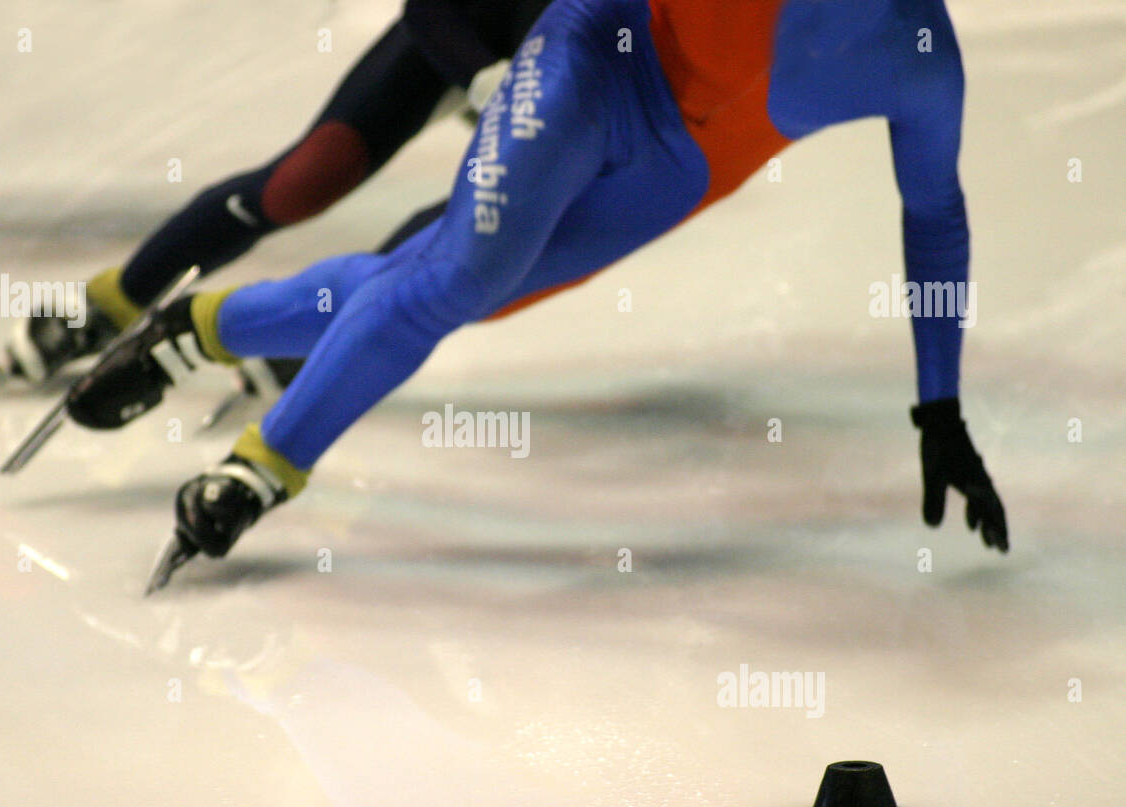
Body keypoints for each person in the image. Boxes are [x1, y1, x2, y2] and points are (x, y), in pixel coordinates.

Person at [65, 0, 1009, 589]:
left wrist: (940, 408)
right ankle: (262, 468)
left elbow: (935, 218)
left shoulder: (916, 54)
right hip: (598, 52)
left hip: (682, 170)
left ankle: (202, 326)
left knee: (457, 286)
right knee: (460, 275)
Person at [0, 0, 550, 396]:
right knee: (302, 181)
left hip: (568, 79)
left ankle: (323, 324)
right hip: (472, 27)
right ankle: (120, 297)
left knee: (470, 222)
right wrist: (479, 75)